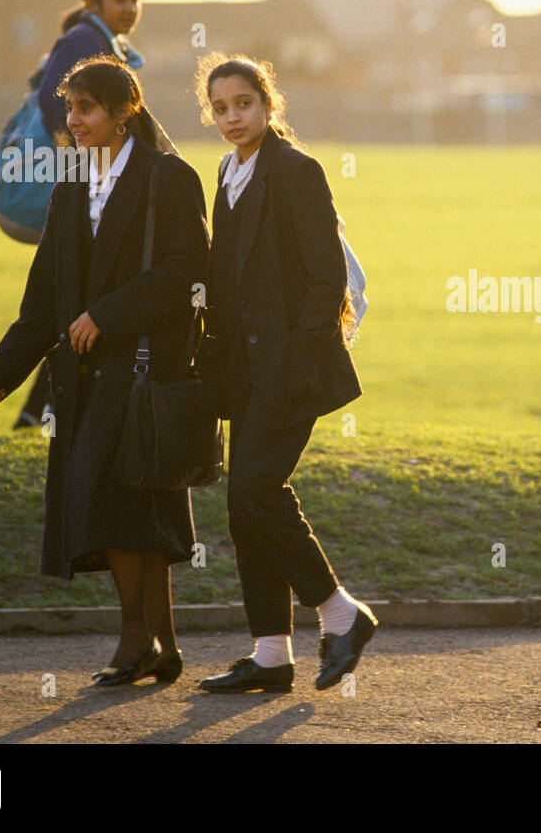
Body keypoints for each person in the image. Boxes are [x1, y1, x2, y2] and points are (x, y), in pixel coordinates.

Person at [0, 56, 210, 685]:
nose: (74, 120)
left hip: (144, 376)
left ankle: (136, 641)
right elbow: (48, 289)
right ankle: (160, 644)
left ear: (124, 111)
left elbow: (190, 272)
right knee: (122, 510)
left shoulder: (170, 177)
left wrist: (107, 315)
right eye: (70, 107)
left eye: (87, 108)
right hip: (85, 381)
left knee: (133, 511)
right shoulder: (73, 182)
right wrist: (6, 368)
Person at [192, 54, 375, 695]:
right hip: (244, 370)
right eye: (219, 107)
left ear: (267, 105)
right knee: (247, 509)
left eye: (243, 103)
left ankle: (342, 614)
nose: (232, 116)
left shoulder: (299, 170)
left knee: (254, 489)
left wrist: (295, 359)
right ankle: (271, 655)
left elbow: (326, 276)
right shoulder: (226, 171)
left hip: (293, 367)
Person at [14, 0, 148, 431]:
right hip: (86, 187)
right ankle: (38, 414)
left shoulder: (103, 38)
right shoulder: (86, 38)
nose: (130, 6)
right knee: (75, 299)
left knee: (80, 301)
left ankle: (38, 416)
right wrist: (87, 153)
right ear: (92, 0)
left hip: (94, 182)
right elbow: (57, 99)